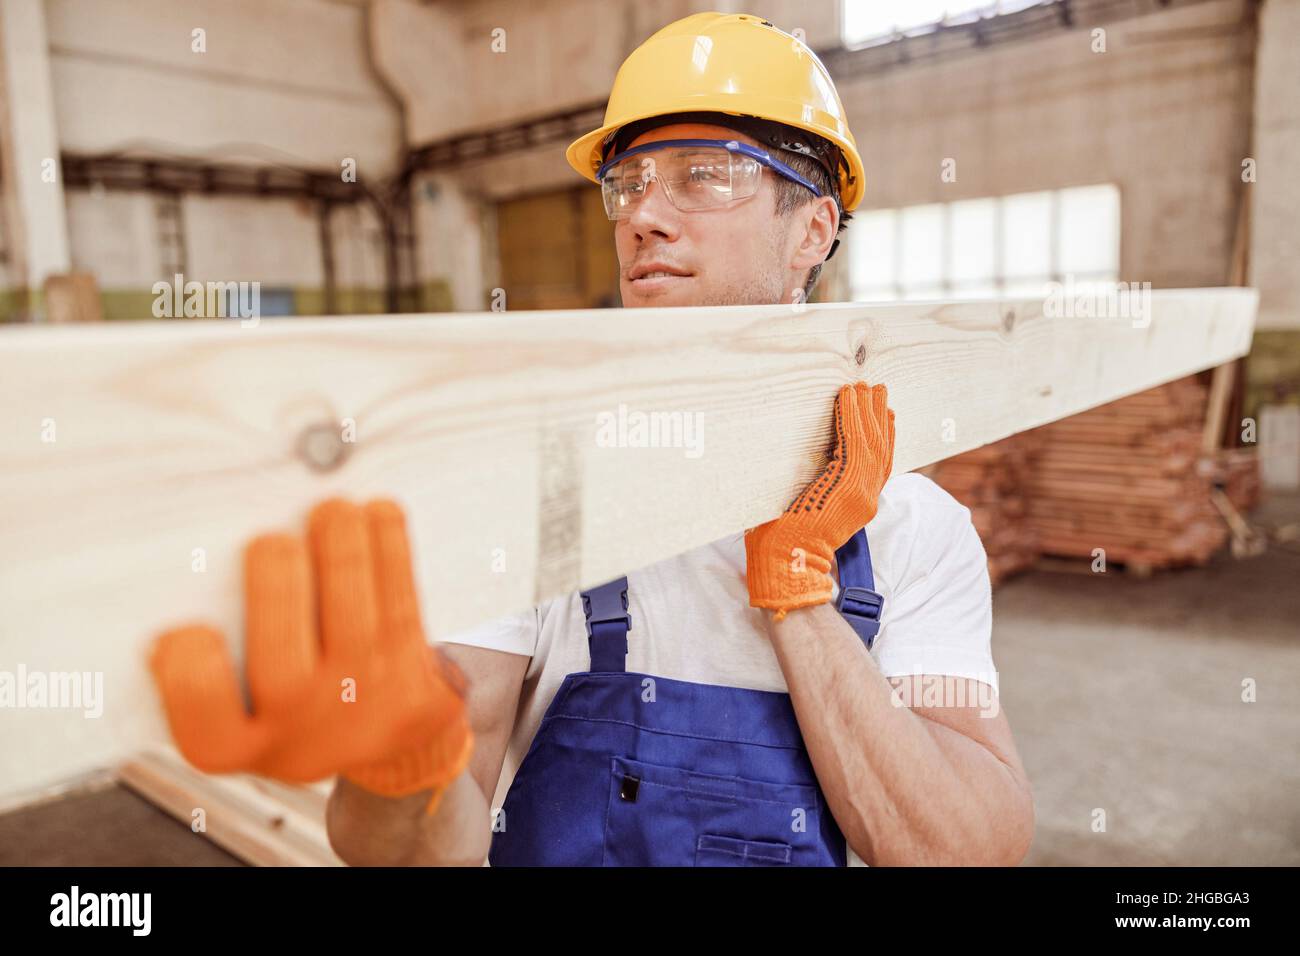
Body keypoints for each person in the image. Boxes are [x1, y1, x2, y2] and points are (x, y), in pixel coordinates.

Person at [150, 12, 1033, 867]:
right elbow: (433, 849)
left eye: (702, 174)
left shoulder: (917, 531)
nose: (644, 215)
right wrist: (402, 768)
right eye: (630, 183)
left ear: (813, 228)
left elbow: (965, 850)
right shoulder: (533, 495)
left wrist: (801, 595)